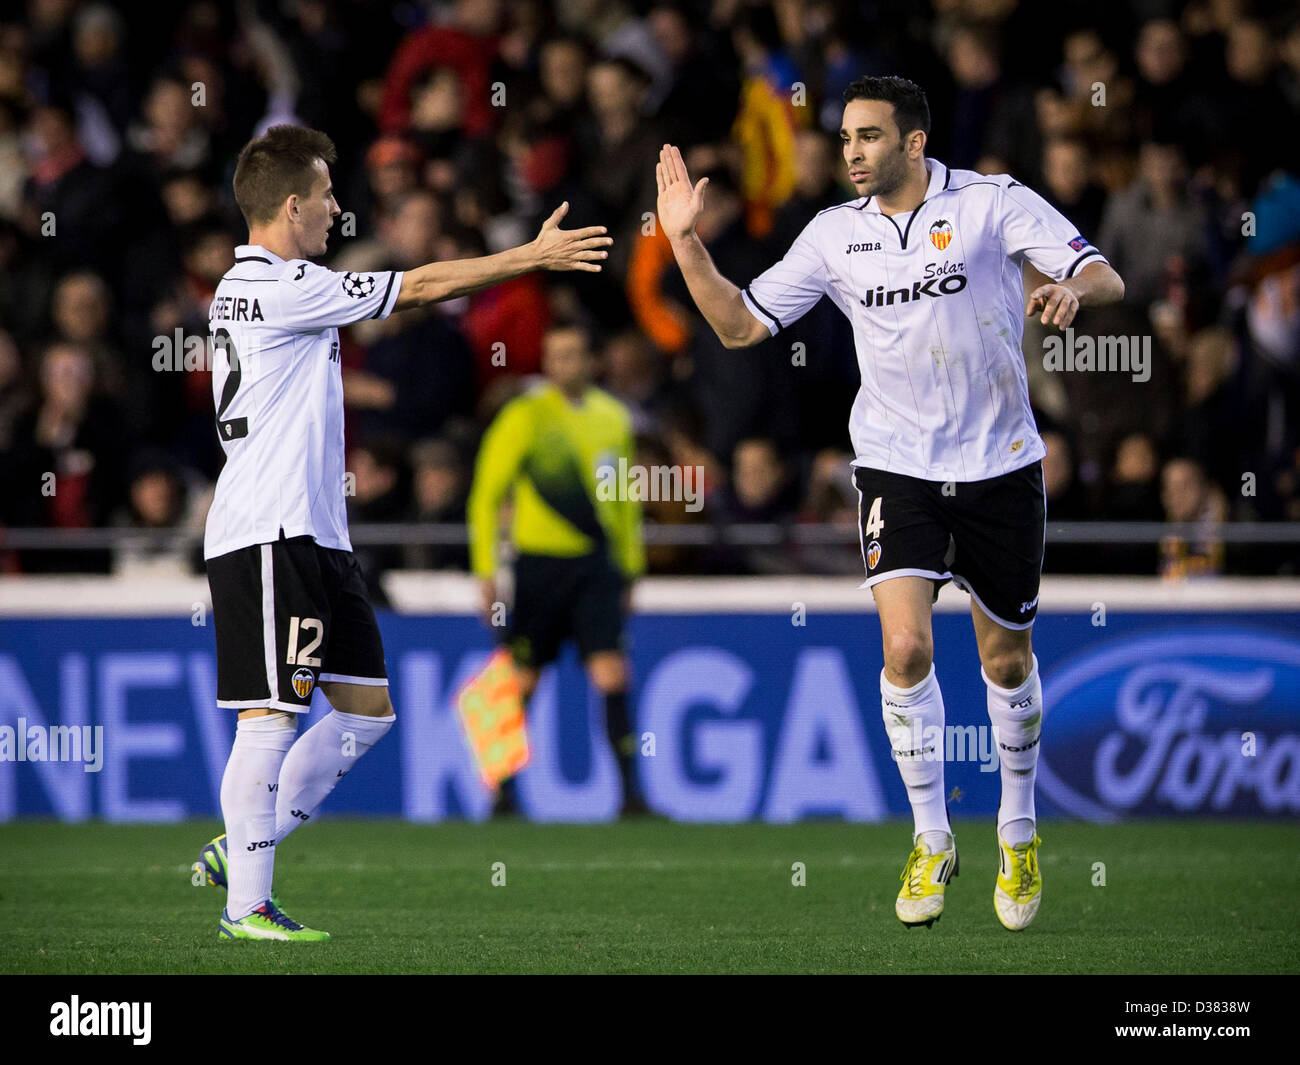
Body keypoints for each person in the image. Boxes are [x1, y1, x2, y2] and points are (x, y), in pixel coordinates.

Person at [655, 75, 1124, 931]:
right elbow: (738, 325)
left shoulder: (991, 202)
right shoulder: (834, 236)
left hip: (998, 465)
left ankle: (1018, 830)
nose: (851, 153)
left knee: (1005, 662)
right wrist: (686, 245)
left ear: (914, 142)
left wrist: (1067, 291)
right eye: (843, 139)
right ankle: (931, 835)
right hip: (896, 467)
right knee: (905, 647)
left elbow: (1104, 275)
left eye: (867, 137)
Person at [194, 124, 611, 941]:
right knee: (271, 717)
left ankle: (247, 843)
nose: (336, 209)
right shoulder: (283, 287)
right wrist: (528, 256)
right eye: (324, 196)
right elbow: (416, 286)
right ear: (290, 205)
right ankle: (246, 903)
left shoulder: (253, 288)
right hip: (271, 529)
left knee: (366, 712)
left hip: (314, 532)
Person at [467, 321, 646, 817]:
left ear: (591, 361)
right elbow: (486, 496)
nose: (563, 364)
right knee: (523, 678)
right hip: (539, 568)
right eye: (555, 355)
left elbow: (624, 500)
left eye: (573, 354)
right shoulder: (524, 417)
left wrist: (630, 568)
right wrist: (486, 573)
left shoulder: (614, 418)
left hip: (595, 569)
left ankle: (631, 797)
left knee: (612, 674)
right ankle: (502, 794)